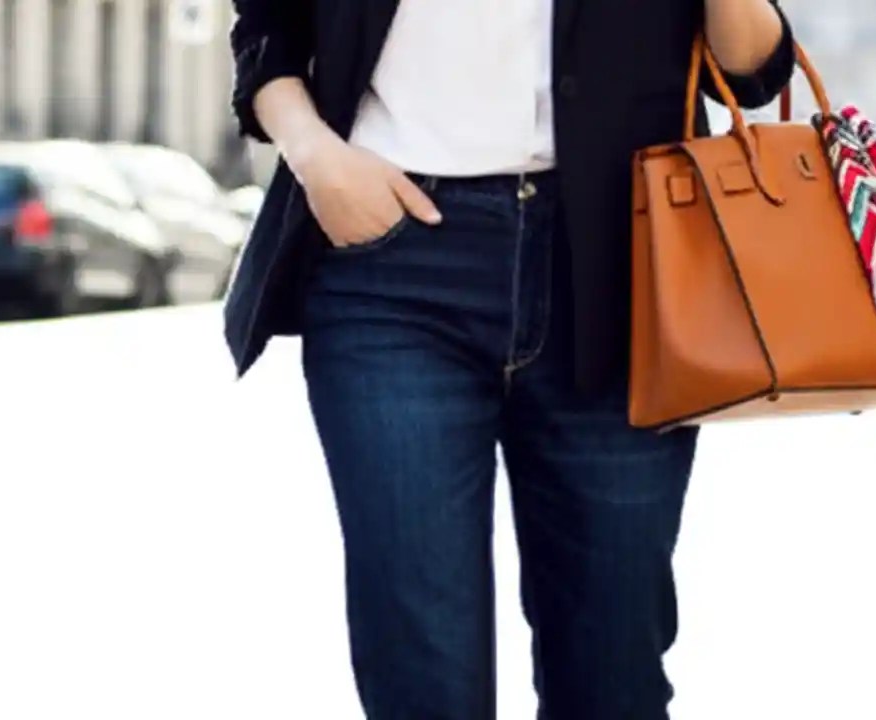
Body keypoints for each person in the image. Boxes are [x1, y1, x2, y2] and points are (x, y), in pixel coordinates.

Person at [225, 1, 794, 717]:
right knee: (422, 679)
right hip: (393, 264)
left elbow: (752, 71)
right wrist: (316, 157)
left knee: (613, 678)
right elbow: (267, 30)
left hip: (619, 266)